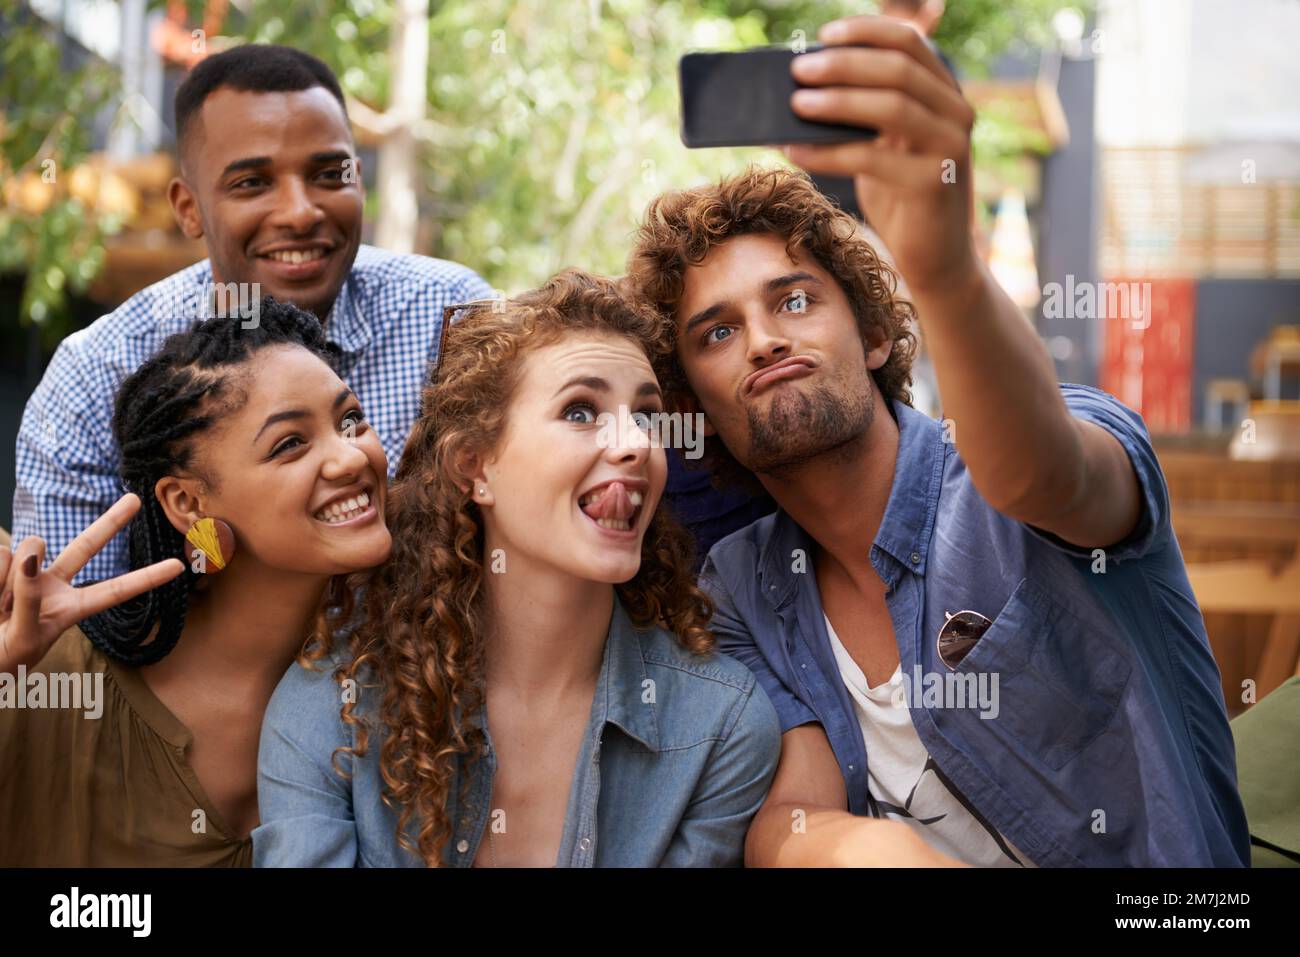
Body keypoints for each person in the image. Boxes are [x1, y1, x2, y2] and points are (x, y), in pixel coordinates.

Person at [626, 15, 1249, 866]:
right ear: (696, 395)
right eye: (716, 333)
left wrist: (945, 264)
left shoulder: (1029, 466)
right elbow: (790, 817)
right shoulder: (743, 583)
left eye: (796, 300)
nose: (765, 338)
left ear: (876, 334)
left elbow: (1045, 475)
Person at [254, 270, 781, 867]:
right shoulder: (334, 706)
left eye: (646, 416)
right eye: (581, 412)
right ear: (474, 467)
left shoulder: (721, 723)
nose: (634, 442)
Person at [12, 43, 491, 585]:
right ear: (188, 208)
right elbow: (73, 628)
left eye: (329, 175)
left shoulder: (449, 318)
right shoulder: (97, 376)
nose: (300, 212)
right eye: (252, 183)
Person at [0, 300, 393, 865]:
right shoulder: (50, 679)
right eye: (290, 444)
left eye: (350, 421)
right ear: (187, 503)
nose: (350, 457)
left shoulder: (405, 679)